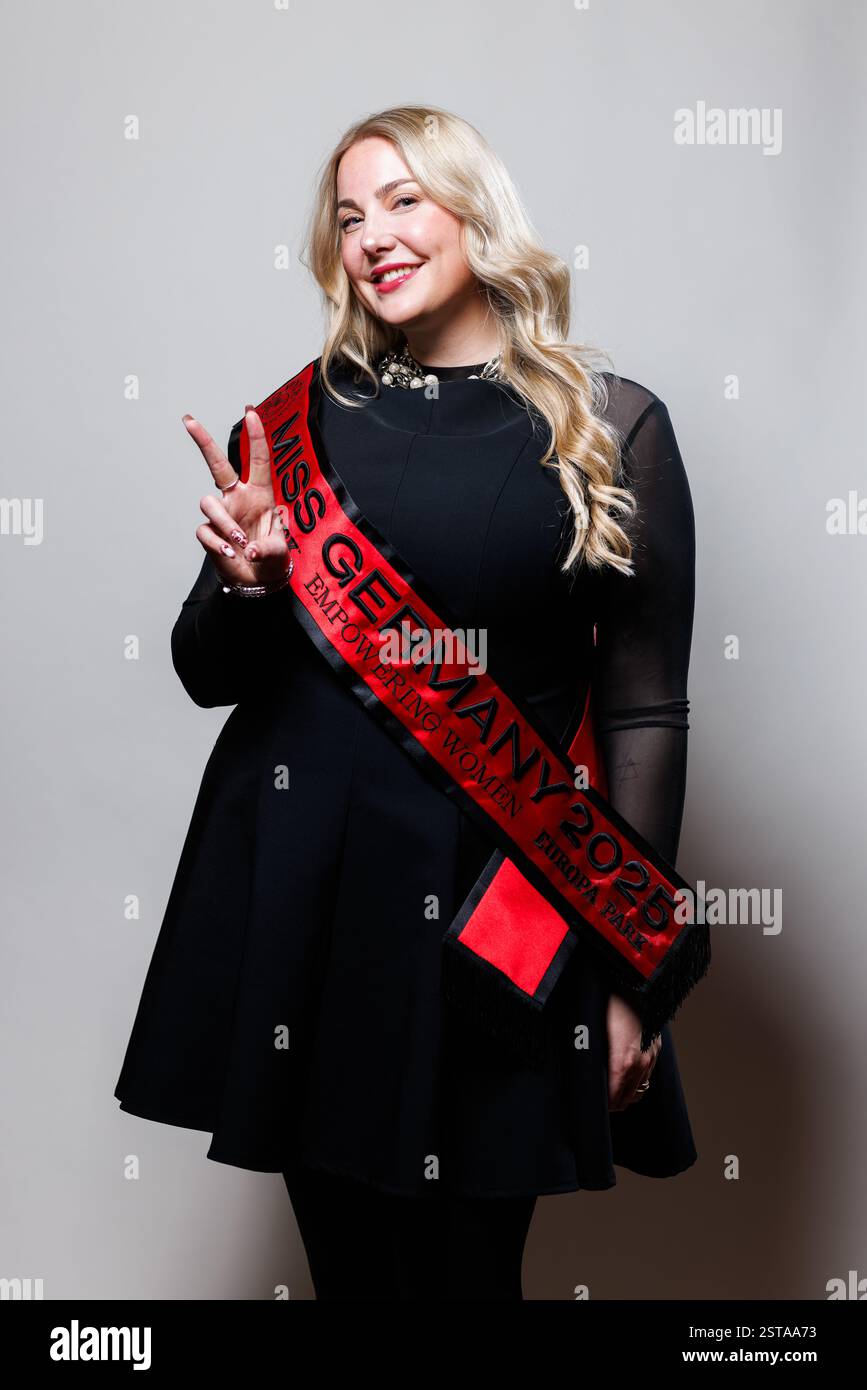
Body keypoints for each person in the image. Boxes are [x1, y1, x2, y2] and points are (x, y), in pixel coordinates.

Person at [114, 104, 698, 1302]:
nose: (373, 234)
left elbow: (645, 711)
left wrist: (633, 973)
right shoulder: (290, 429)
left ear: (472, 212)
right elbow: (202, 672)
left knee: (472, 1277)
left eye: (403, 200)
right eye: (348, 215)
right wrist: (243, 585)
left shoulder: (609, 427)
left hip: (502, 916)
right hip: (309, 902)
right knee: (353, 1278)